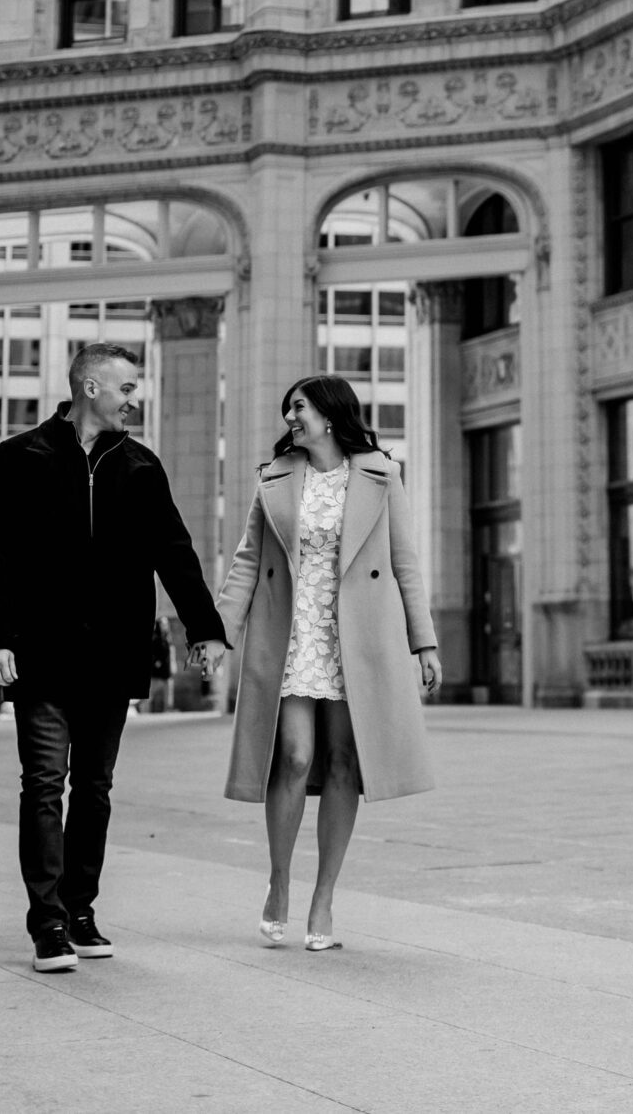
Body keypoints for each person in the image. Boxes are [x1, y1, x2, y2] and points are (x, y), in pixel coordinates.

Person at [0, 342, 227, 975]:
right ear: (90, 388)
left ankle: (80, 911)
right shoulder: (21, 457)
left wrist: (206, 628)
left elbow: (174, 550)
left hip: (112, 653)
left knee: (94, 788)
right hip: (40, 652)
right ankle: (48, 923)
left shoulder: (140, 465)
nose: (134, 399)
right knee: (41, 784)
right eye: (127, 388)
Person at [208, 374, 437, 954]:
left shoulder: (382, 475)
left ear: (330, 415)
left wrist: (424, 642)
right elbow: (245, 563)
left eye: (300, 407)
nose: (290, 416)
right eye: (288, 408)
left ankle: (324, 898)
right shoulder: (275, 479)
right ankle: (279, 880)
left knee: (342, 765)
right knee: (293, 755)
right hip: (293, 631)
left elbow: (404, 563)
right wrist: (218, 632)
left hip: (359, 638)